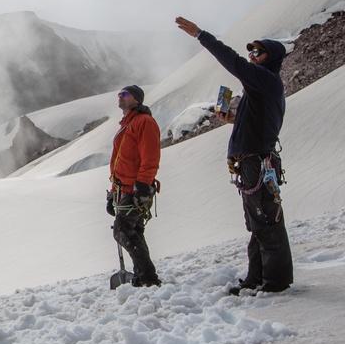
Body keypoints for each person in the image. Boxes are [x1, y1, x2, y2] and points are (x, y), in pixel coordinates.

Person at [176, 17, 293, 294]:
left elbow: (234, 62)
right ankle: (257, 278)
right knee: (259, 220)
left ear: (272, 58)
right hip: (254, 162)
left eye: (258, 52)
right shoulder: (262, 86)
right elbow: (257, 122)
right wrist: (233, 118)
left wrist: (201, 35)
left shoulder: (265, 79)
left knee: (265, 220)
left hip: (256, 162)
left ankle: (275, 282)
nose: (252, 55)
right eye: (251, 51)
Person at [107, 84, 162, 287]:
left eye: (125, 94)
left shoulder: (144, 122)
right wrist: (112, 194)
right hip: (125, 188)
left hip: (134, 188)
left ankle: (147, 276)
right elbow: (120, 161)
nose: (120, 97)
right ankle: (144, 275)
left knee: (122, 230)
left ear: (136, 99)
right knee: (134, 231)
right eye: (119, 94)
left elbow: (150, 157)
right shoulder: (128, 124)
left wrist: (143, 186)